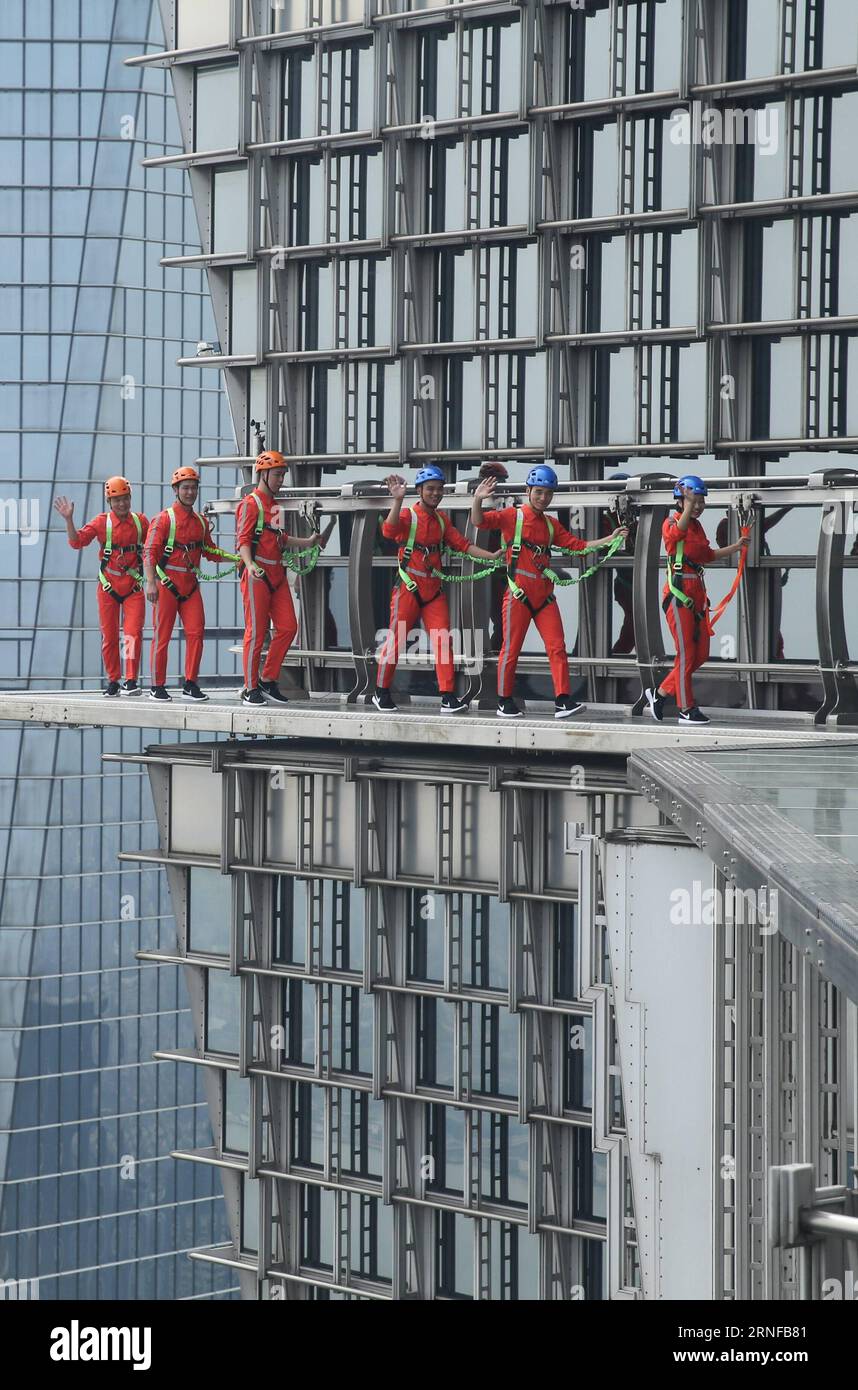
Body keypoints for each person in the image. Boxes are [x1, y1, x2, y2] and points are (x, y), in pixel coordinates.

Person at [471, 464, 628, 718]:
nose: (543, 498)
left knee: (557, 646)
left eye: (548, 493)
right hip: (519, 593)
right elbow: (478, 521)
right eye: (539, 492)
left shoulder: (551, 525)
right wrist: (478, 500)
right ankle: (504, 701)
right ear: (528, 490)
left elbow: (578, 545)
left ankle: (563, 700)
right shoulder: (513, 516)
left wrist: (610, 539)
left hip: (544, 595)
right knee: (510, 648)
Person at [373, 466, 501, 714]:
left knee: (443, 642)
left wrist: (491, 556)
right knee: (397, 640)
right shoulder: (410, 515)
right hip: (409, 587)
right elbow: (389, 530)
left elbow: (463, 545)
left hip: (432, 591)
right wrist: (397, 500)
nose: (435, 493)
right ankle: (381, 692)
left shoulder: (441, 520)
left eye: (439, 489)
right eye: (430, 489)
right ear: (419, 491)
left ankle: (447, 696)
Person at [645, 474, 752, 726]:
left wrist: (736, 547)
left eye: (701, 502)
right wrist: (688, 505)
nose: (698, 506)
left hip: (697, 594)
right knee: (685, 654)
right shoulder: (671, 522)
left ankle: (660, 693)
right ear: (680, 501)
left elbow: (707, 555)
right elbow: (676, 534)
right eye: (693, 502)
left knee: (700, 654)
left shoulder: (698, 527)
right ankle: (686, 708)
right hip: (678, 595)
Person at [236, 450, 328, 706]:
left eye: (282, 475)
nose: (280, 480)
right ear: (263, 474)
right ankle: (250, 688)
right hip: (257, 575)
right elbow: (242, 541)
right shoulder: (250, 503)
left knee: (288, 627)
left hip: (276, 574)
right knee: (255, 633)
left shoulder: (275, 506)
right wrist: (250, 564)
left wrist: (307, 541)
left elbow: (280, 539)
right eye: (277, 475)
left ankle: (267, 680)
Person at [142, 465, 232, 702]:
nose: (190, 492)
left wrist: (238, 559)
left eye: (193, 488)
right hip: (167, 584)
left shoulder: (200, 523)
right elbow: (149, 552)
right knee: (162, 636)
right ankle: (156, 686)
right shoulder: (163, 519)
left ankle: (190, 684)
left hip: (190, 586)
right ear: (176, 490)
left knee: (196, 633)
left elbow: (210, 552)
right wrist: (150, 582)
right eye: (185, 488)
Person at [54, 478, 149, 697]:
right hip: (108, 588)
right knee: (109, 636)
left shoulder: (140, 522)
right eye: (117, 500)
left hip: (133, 587)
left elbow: (153, 543)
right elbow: (77, 542)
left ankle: (131, 680)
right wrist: (69, 520)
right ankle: (113, 680)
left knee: (132, 634)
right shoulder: (101, 523)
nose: (122, 504)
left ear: (130, 498)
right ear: (109, 501)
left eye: (125, 499)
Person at [603, 471, 637, 655]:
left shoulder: (632, 522)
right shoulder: (605, 521)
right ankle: (617, 657)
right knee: (633, 625)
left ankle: (618, 656)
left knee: (634, 626)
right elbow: (605, 551)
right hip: (623, 582)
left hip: (632, 580)